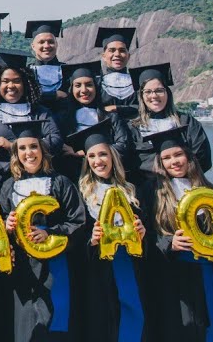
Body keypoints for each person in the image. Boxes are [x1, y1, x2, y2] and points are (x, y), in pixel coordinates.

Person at [139, 126, 213, 342]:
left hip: (207, 273)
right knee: (178, 330)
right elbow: (143, 235)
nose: (174, 162)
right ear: (160, 162)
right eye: (166, 158)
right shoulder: (151, 192)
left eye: (178, 155)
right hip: (171, 274)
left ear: (188, 157)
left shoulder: (210, 191)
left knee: (212, 329)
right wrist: (169, 243)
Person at [0, 120, 88, 342]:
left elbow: (77, 221)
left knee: (57, 319)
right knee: (26, 322)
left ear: (42, 150)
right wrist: (6, 226)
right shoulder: (8, 186)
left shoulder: (61, 183)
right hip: (23, 266)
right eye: (22, 148)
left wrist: (50, 233)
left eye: (33, 147)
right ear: (16, 153)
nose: (29, 153)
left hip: (55, 264)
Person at [67, 119, 151, 342]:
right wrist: (90, 240)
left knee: (133, 315)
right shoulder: (80, 193)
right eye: (92, 156)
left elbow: (149, 233)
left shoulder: (132, 190)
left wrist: (143, 233)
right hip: (97, 268)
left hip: (130, 263)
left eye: (103, 154)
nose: (98, 161)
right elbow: (75, 234)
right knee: (102, 321)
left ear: (113, 156)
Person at [0, 50, 63, 194]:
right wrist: (17, 166)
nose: (11, 86)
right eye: (5, 81)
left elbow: (55, 139)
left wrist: (12, 145)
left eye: (17, 81)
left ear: (26, 83)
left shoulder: (39, 111)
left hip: (40, 176)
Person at [124, 64, 211, 182]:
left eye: (159, 90)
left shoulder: (186, 122)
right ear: (141, 96)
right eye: (148, 92)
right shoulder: (133, 128)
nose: (154, 96)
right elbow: (130, 164)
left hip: (186, 186)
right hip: (149, 191)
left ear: (167, 93)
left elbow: (203, 156)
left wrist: (180, 178)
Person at [51, 61, 131, 184]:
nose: (84, 90)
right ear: (71, 89)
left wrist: (84, 152)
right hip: (75, 177)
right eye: (78, 85)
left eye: (89, 84)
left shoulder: (111, 117)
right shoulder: (62, 120)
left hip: (109, 176)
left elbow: (123, 145)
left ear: (96, 87)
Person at [24, 20, 67, 111]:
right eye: (41, 42)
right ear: (33, 46)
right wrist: (54, 95)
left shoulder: (68, 70)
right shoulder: (26, 73)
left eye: (51, 41)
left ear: (56, 44)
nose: (46, 46)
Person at [95, 27, 137, 114]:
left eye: (122, 50)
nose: (117, 54)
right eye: (112, 50)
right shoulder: (98, 83)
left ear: (128, 56)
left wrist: (115, 108)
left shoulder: (137, 82)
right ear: (104, 56)